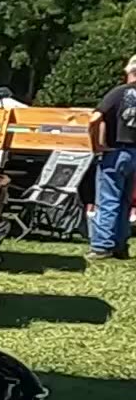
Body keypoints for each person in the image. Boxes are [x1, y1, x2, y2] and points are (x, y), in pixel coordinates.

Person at [88, 55, 136, 261]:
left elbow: (95, 118)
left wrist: (96, 144)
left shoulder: (118, 93)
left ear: (129, 71)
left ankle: (102, 246)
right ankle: (120, 245)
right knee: (126, 200)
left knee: (108, 199)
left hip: (115, 151)